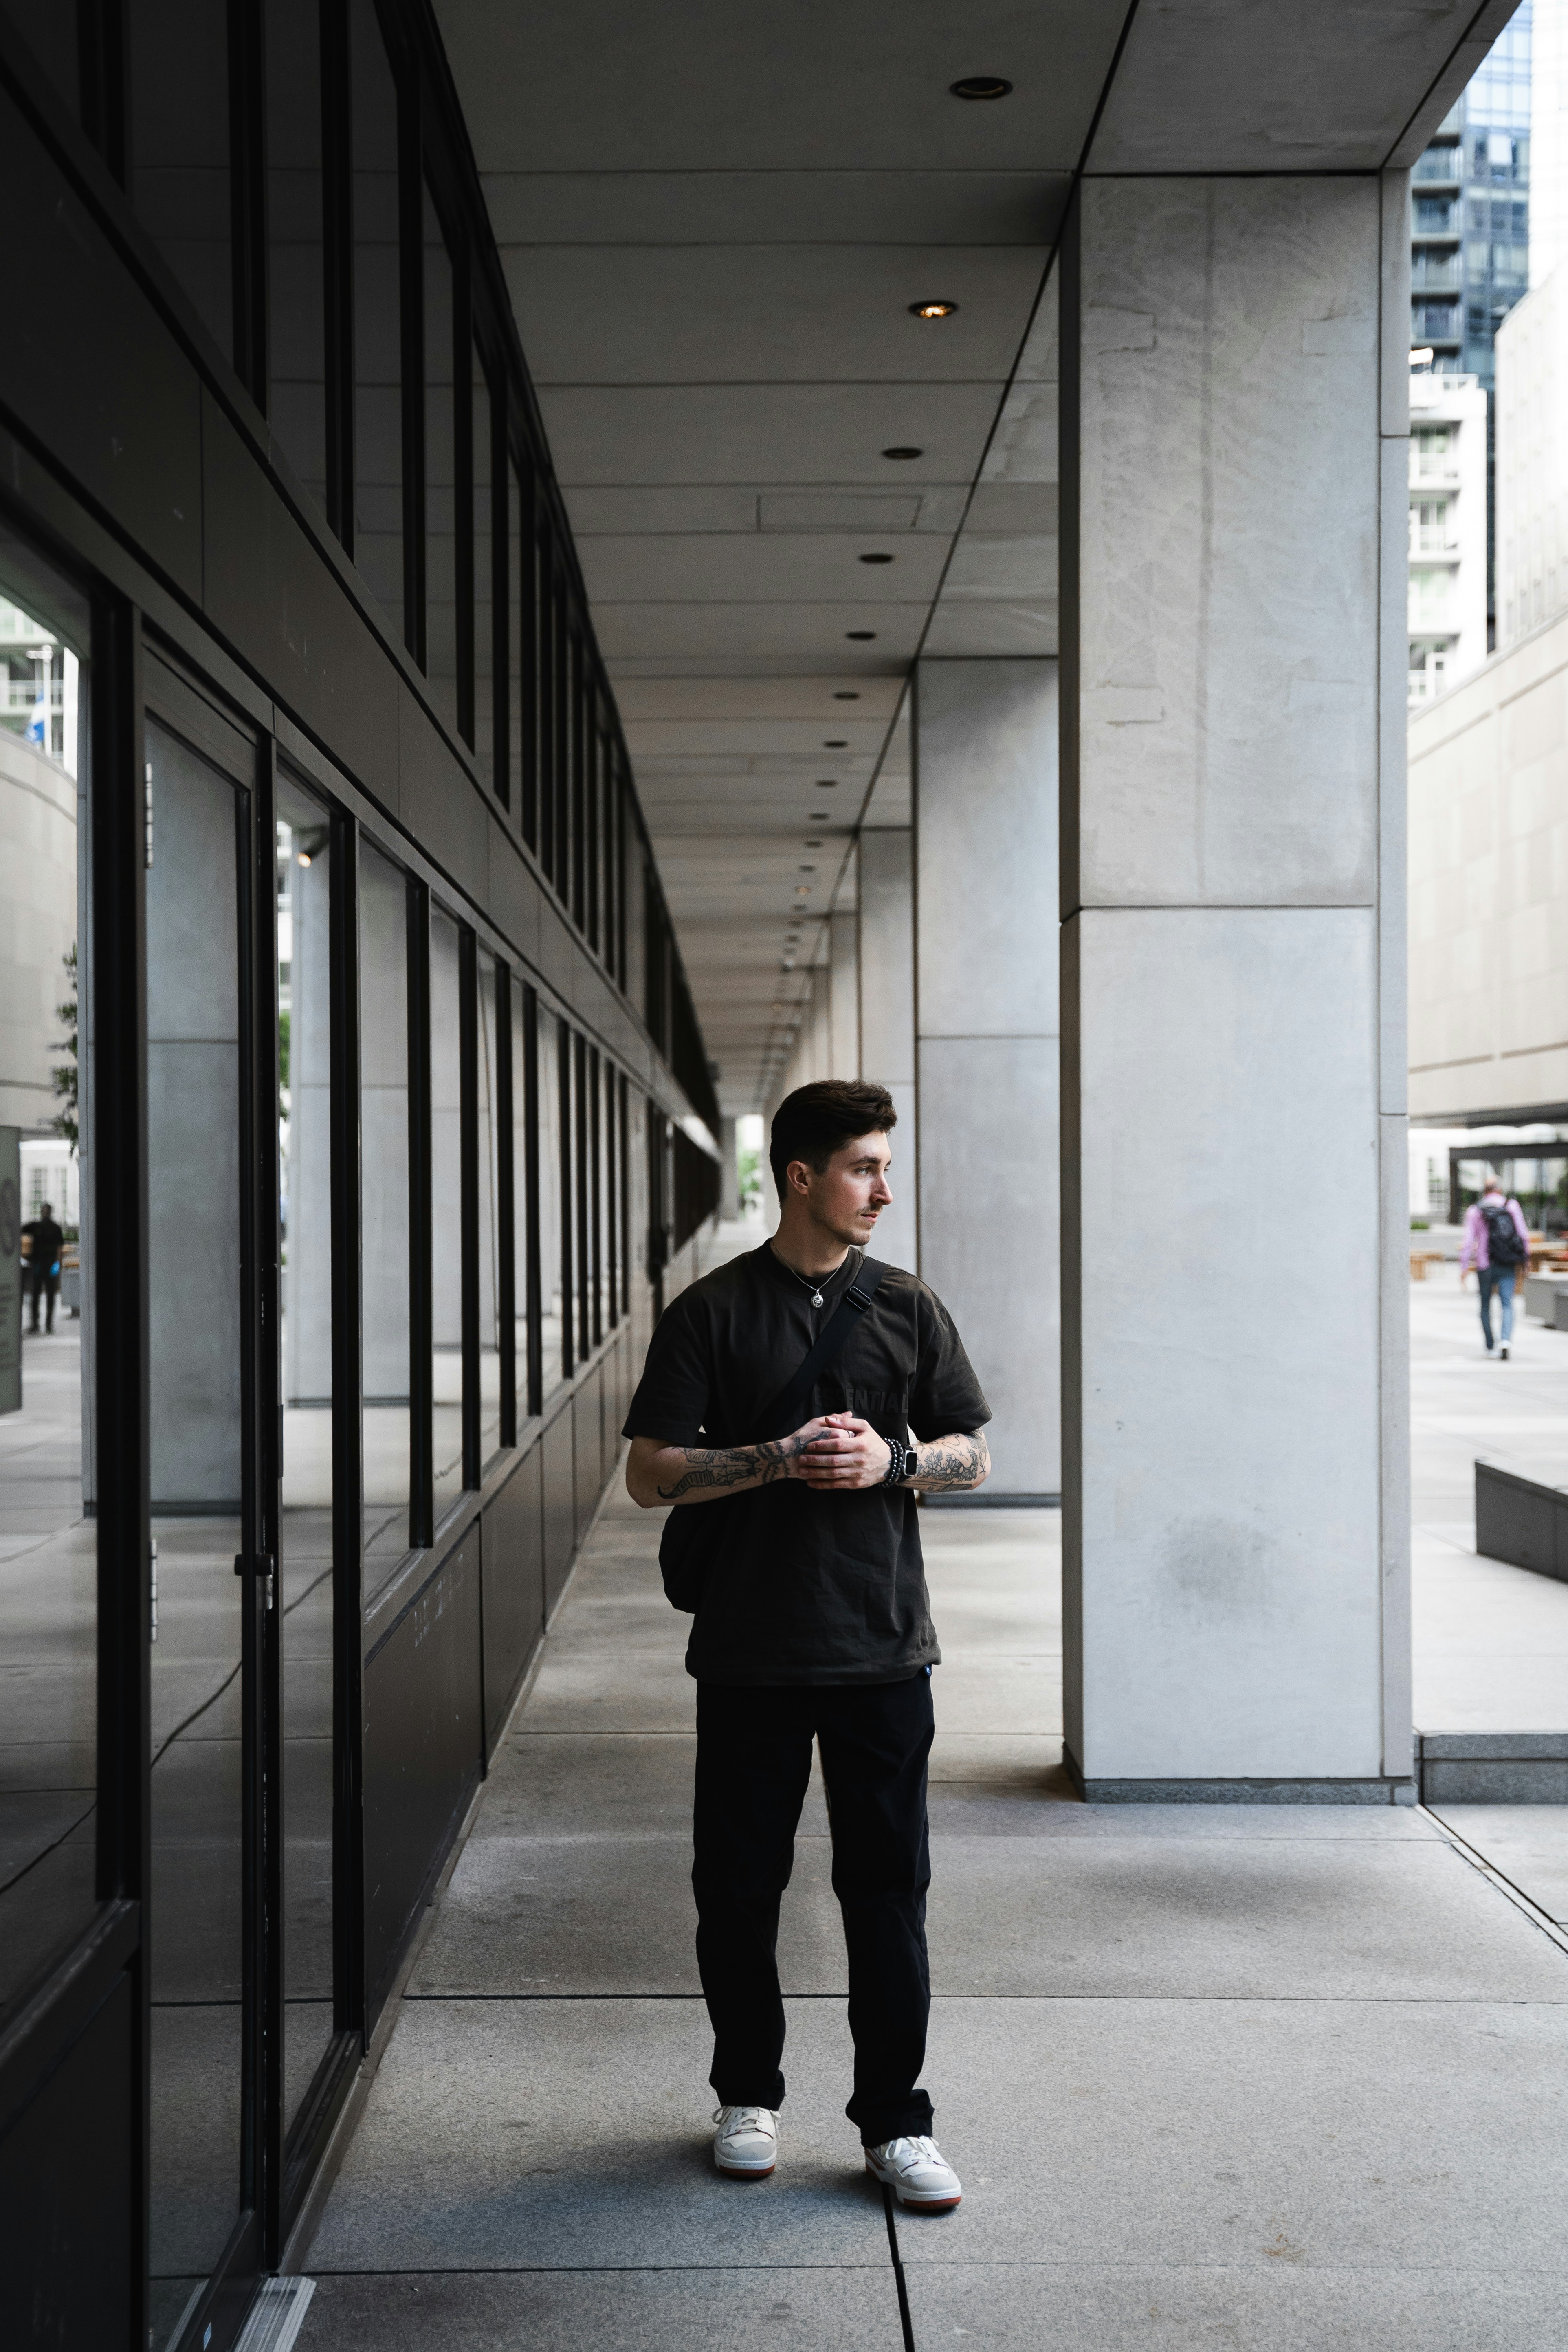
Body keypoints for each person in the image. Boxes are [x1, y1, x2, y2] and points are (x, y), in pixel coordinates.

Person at [624, 1079, 992, 2215]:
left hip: (884, 1649)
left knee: (889, 1893)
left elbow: (974, 1450)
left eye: (884, 1165)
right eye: (863, 1166)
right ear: (798, 1175)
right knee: (737, 1888)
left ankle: (895, 2121)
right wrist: (778, 1454)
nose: (883, 1185)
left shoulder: (908, 1305)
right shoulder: (712, 1311)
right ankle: (747, 2092)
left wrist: (896, 1461)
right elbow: (650, 1474)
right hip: (749, 1652)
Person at [1460, 1172, 1530, 1359]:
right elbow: (1523, 1234)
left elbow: (1468, 1241)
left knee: (1485, 1306)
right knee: (1507, 1303)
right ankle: (1506, 1341)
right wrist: (1526, 1259)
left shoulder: (1475, 1211)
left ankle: (1491, 1346)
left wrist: (1464, 1266)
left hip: (1485, 1264)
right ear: (1499, 1189)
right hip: (1507, 1261)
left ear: (1484, 1191)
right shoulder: (1511, 1206)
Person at [21, 1201, 64, 1336]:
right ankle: (35, 1324)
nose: (45, 1213)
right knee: (35, 1294)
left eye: (47, 1210)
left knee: (51, 1294)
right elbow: (20, 1229)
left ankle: (49, 1324)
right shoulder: (35, 1226)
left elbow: (59, 1247)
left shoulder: (55, 1228)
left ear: (50, 1212)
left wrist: (58, 1263)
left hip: (50, 1264)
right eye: (43, 1210)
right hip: (38, 1264)